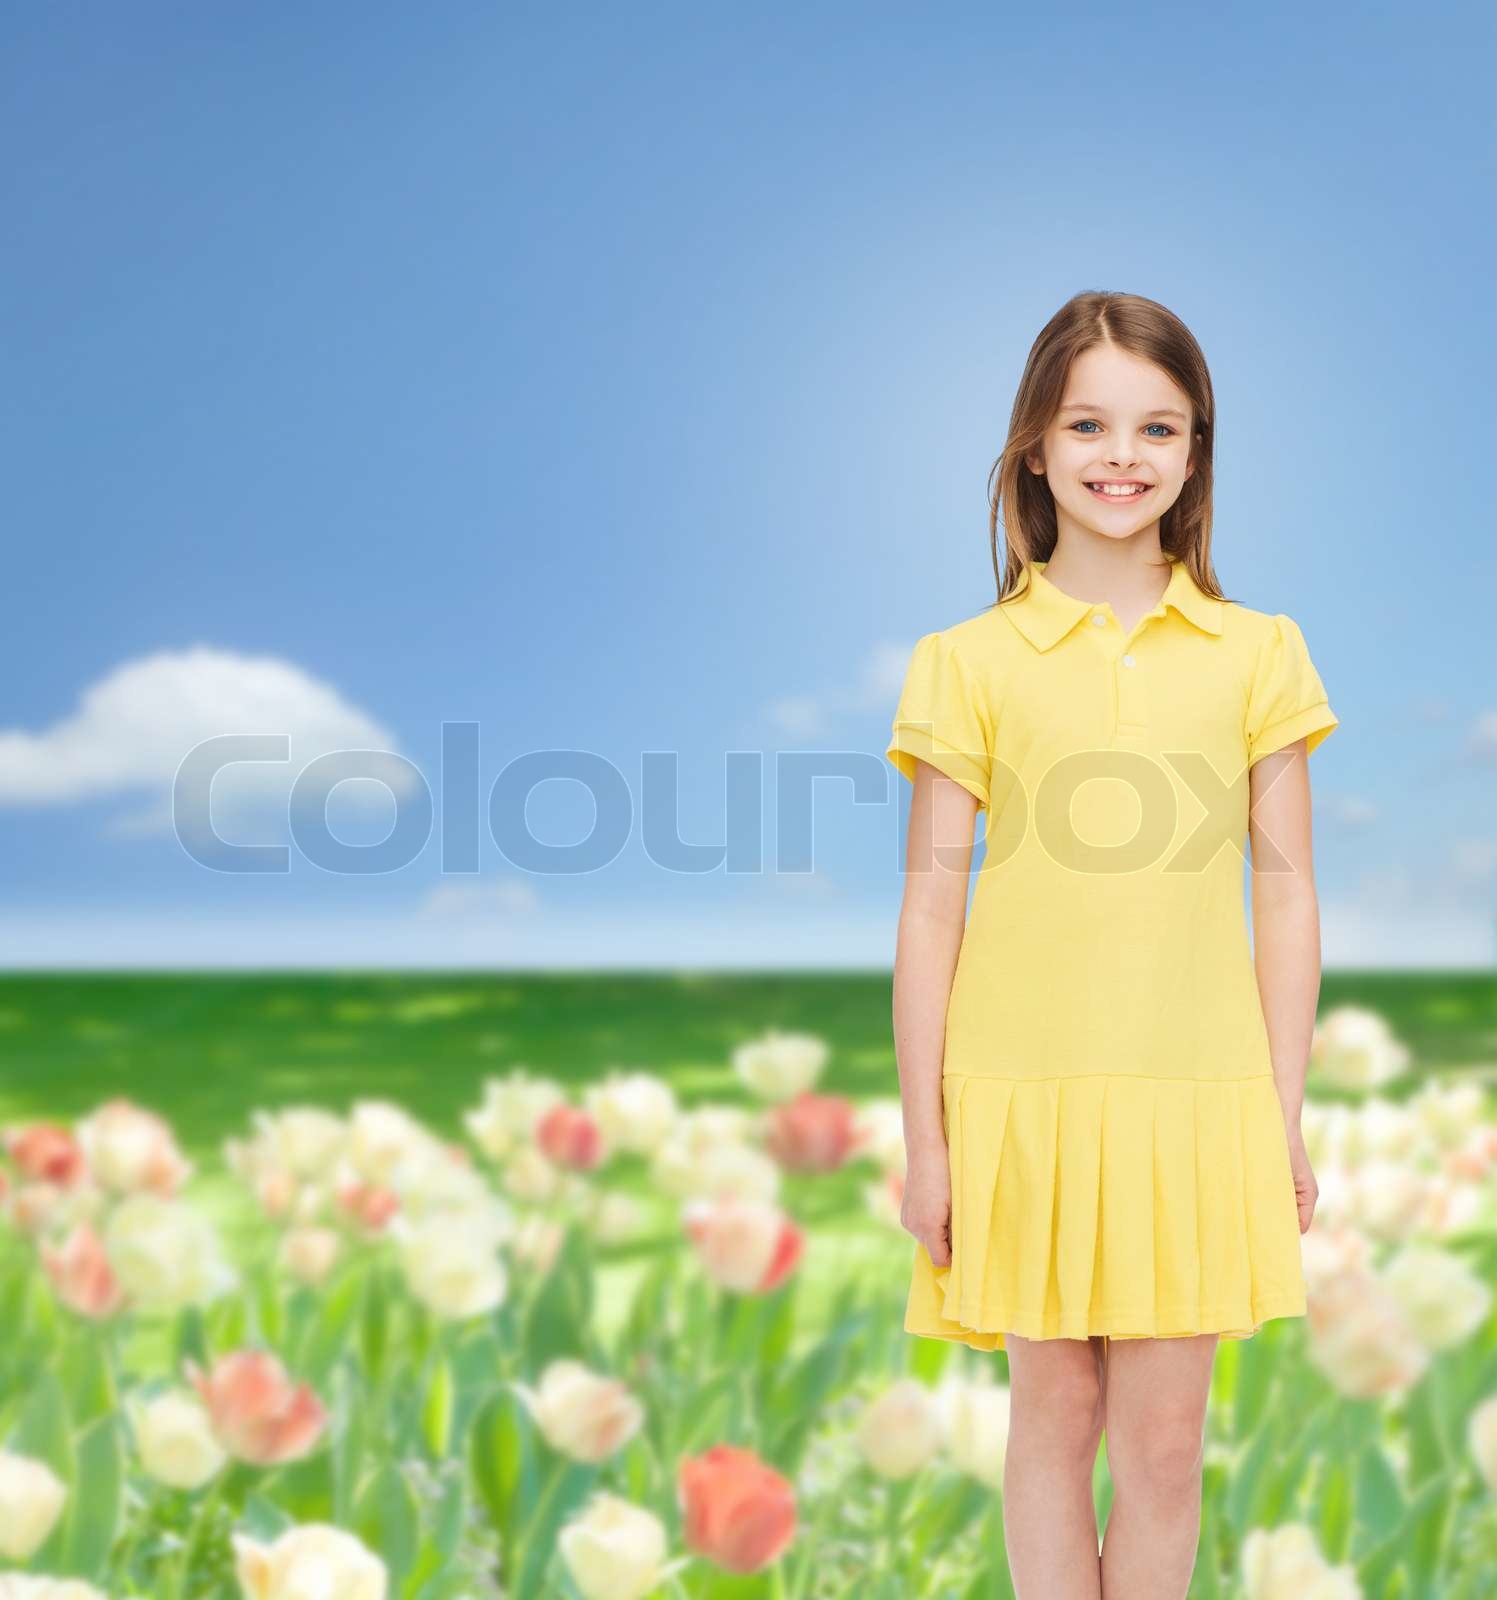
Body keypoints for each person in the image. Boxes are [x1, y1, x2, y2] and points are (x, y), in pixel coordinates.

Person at [886, 290, 1339, 1599]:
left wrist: (1281, 1114)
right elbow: (929, 908)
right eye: (1086, 422)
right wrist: (928, 1141)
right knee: (1050, 1422)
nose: (1119, 455)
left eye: (1158, 427)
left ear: (1195, 454)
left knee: (1159, 1441)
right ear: (1033, 443)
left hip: (1195, 1103)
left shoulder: (1257, 652)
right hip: (1017, 1098)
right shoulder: (966, 659)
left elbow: (1288, 896)